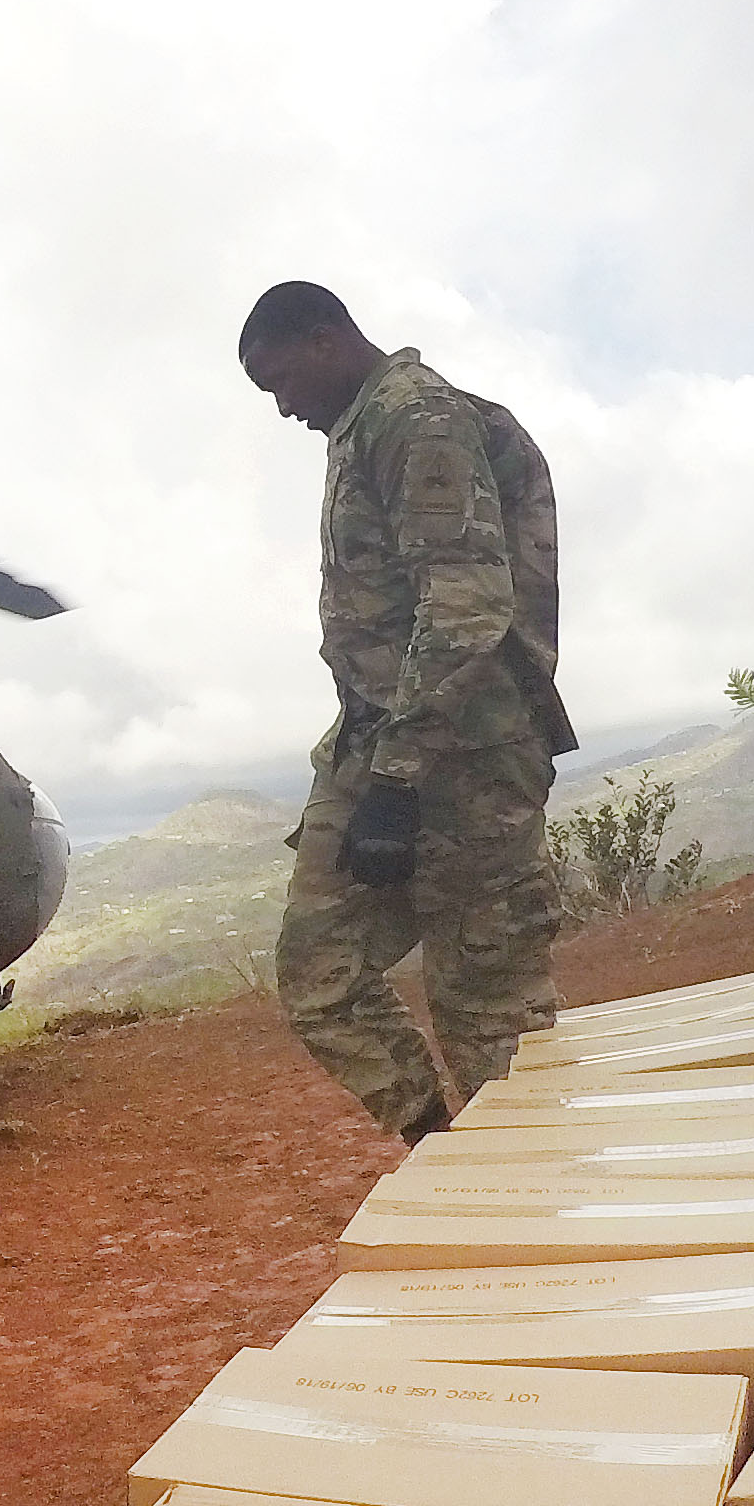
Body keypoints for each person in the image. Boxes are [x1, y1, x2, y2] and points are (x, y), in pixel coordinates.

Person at [239, 283, 575, 1142]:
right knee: (321, 974)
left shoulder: (417, 418)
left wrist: (397, 779)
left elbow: (464, 602)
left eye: (281, 382)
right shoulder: (364, 427)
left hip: (468, 756)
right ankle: (446, 1158)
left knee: (488, 1015)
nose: (282, 409)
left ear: (326, 340)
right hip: (378, 745)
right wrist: (378, 769)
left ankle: (542, 1212)